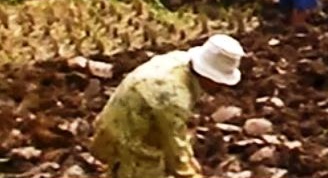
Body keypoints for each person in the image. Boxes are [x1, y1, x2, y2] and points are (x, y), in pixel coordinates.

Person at [90, 34, 245, 178]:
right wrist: (192, 171)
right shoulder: (173, 95)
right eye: (220, 82)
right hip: (126, 140)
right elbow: (177, 156)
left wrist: (189, 159)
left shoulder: (180, 60)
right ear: (209, 76)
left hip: (129, 122)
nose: (222, 87)